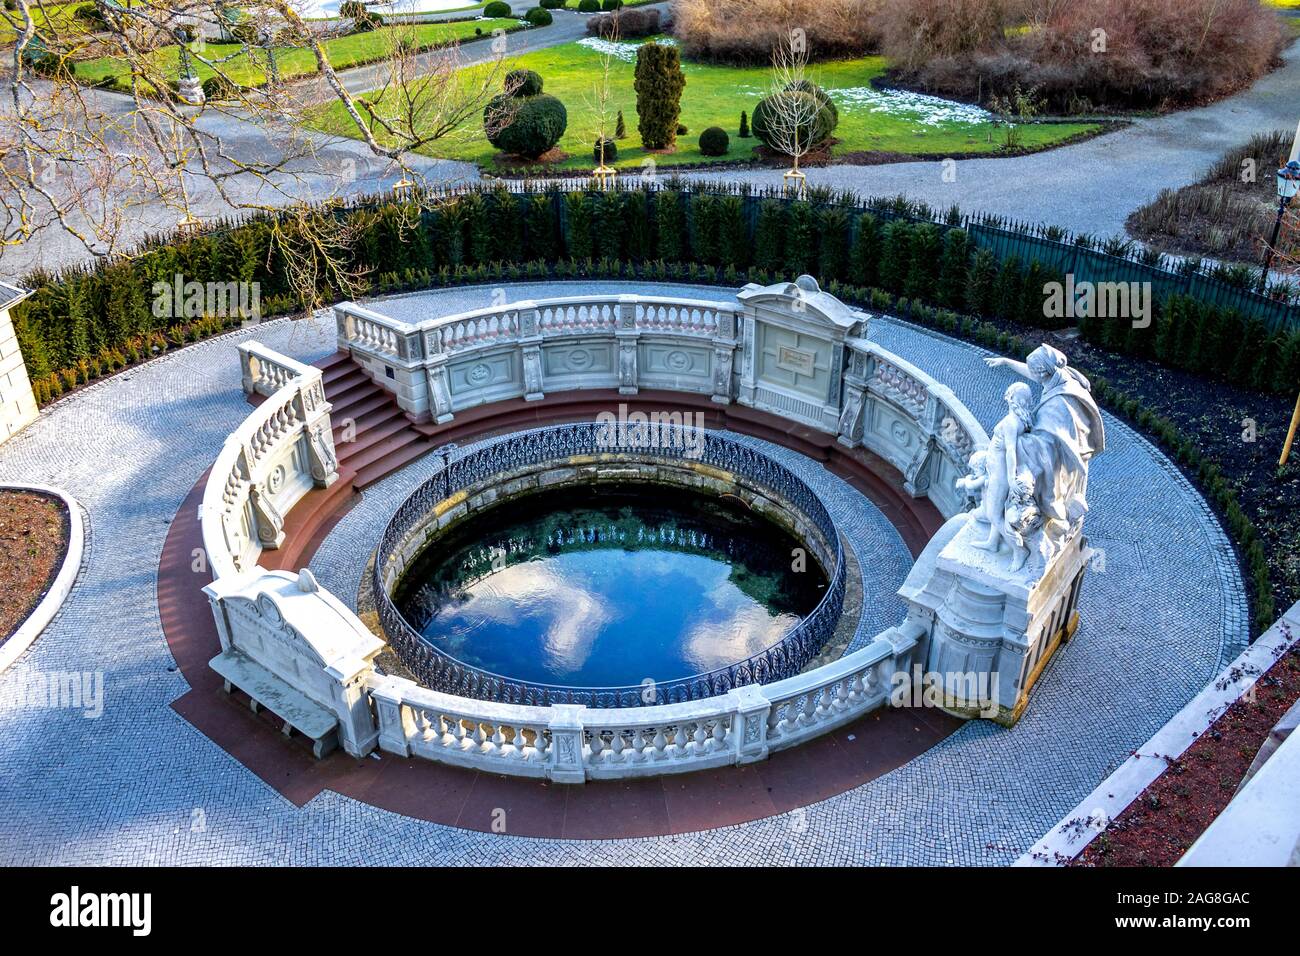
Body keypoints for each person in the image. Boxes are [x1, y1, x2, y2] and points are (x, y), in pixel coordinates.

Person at [984, 344, 1105, 540]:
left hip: (1055, 456)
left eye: (1035, 372)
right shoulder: (1059, 377)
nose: (1033, 376)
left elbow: (1048, 444)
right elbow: (1032, 373)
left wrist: (1016, 442)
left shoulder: (1059, 402)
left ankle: (1029, 511)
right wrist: (1006, 362)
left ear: (1043, 371)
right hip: (1055, 447)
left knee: (1018, 448)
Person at [974, 382, 1035, 555]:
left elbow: (1010, 451)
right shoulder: (1021, 419)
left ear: (1015, 399)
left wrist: (1010, 478)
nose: (1007, 396)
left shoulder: (1010, 422)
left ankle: (1019, 550)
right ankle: (993, 542)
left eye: (1010, 394)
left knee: (994, 514)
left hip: (1000, 474)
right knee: (998, 509)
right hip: (997, 470)